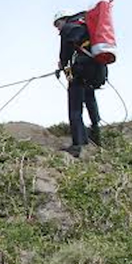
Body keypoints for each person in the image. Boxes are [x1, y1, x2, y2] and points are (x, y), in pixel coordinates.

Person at [54, 10, 107, 156]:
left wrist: (61, 66)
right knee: (89, 98)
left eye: (57, 24)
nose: (58, 29)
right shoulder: (85, 24)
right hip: (96, 68)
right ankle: (96, 134)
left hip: (81, 70)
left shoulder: (68, 28)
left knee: (75, 107)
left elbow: (65, 53)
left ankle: (78, 144)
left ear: (63, 20)